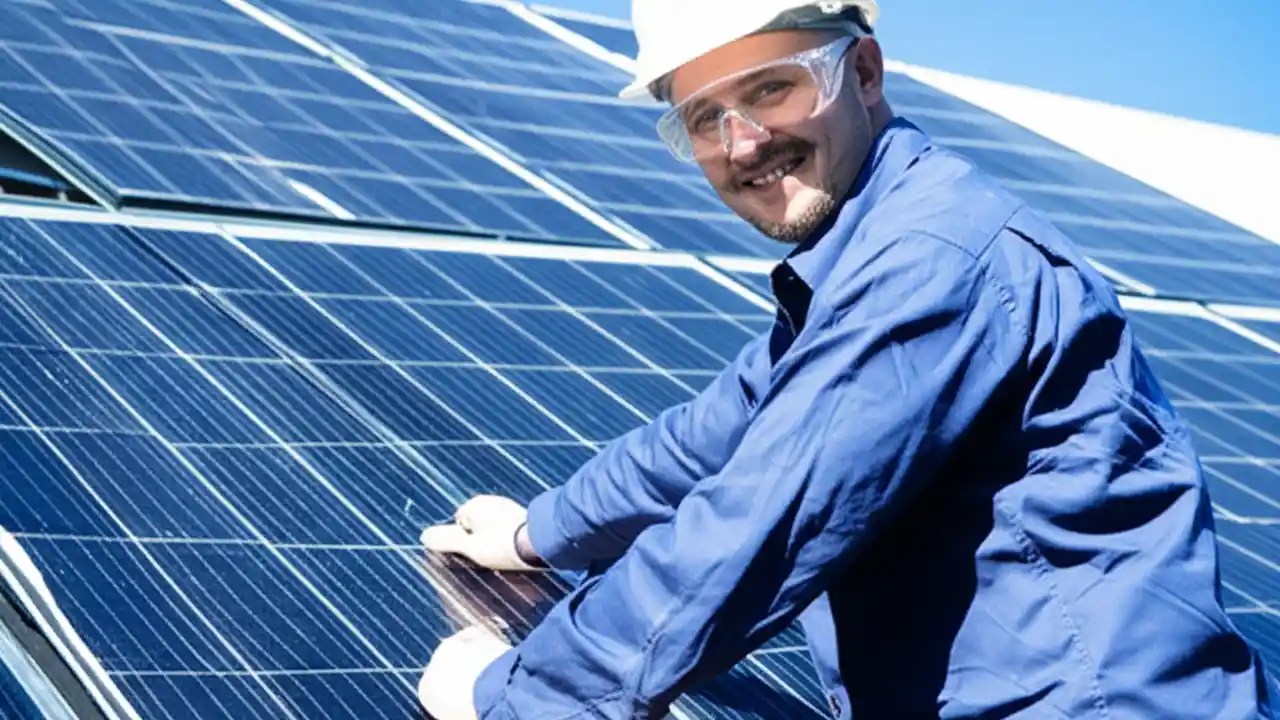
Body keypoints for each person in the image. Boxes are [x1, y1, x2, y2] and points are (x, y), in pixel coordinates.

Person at [416, 1, 1274, 717]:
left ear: (864, 72)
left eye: (773, 89)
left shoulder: (933, 262)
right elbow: (714, 436)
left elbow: (759, 525)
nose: (743, 142)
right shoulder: (869, 254)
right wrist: (538, 534)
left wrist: (516, 698)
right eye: (702, 119)